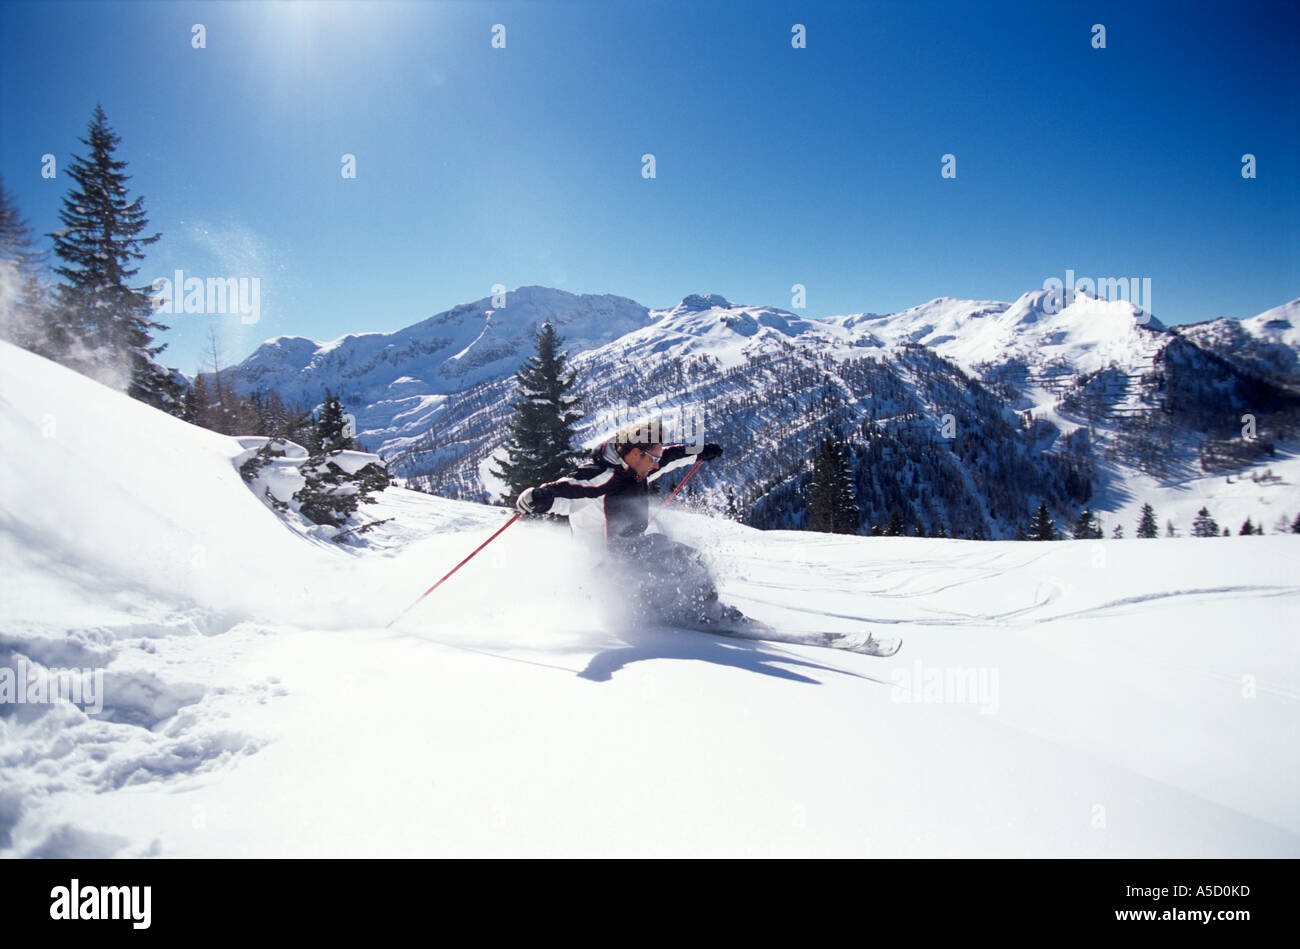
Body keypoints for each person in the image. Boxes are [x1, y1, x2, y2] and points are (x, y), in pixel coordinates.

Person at [515, 423, 738, 625]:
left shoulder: (636, 468)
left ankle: (704, 610)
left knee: (689, 557)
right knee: (679, 559)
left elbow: (670, 456)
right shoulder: (601, 477)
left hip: (631, 551)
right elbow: (567, 489)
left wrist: (699, 452)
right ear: (634, 453)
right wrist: (539, 497)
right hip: (607, 566)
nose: (657, 464)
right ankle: (703, 614)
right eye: (654, 459)